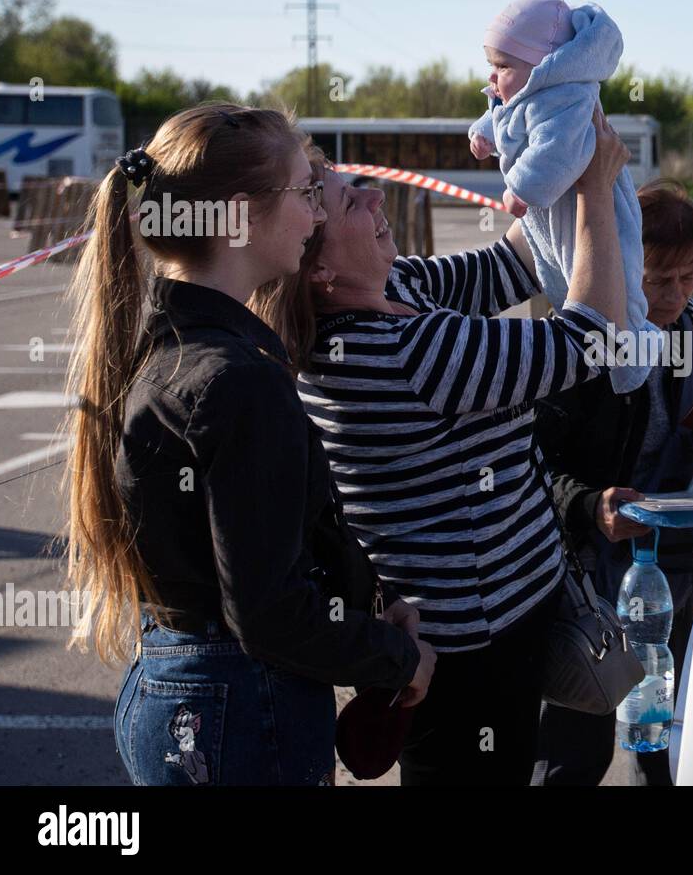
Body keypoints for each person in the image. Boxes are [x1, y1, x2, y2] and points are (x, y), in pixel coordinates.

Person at [254, 107, 630, 786]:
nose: (377, 196)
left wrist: (557, 150)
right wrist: (597, 195)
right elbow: (591, 340)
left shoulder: (395, 289)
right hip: (471, 653)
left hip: (505, 615)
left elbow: (510, 264)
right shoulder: (397, 352)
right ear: (320, 270)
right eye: (349, 201)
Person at [67, 104, 434, 787]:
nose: (316, 215)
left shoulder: (173, 354)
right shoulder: (239, 381)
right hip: (240, 707)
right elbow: (270, 613)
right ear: (239, 215)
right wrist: (396, 657)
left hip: (180, 693)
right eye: (303, 193)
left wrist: (367, 611)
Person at [532, 179, 693, 786]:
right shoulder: (578, 336)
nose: (675, 296)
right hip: (590, 567)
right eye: (658, 280)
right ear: (621, 262)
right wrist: (591, 506)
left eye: (689, 277)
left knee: (659, 733)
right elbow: (532, 459)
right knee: (575, 743)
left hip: (672, 558)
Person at [468, 0, 655, 392]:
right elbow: (501, 117)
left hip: (593, 204)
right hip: (556, 214)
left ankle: (634, 363)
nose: (492, 77)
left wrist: (519, 189)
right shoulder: (524, 95)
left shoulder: (568, 97)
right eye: (491, 65)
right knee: (570, 285)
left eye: (502, 66)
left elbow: (556, 152)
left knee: (616, 282)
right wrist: (482, 135)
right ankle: (600, 363)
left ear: (543, 65)